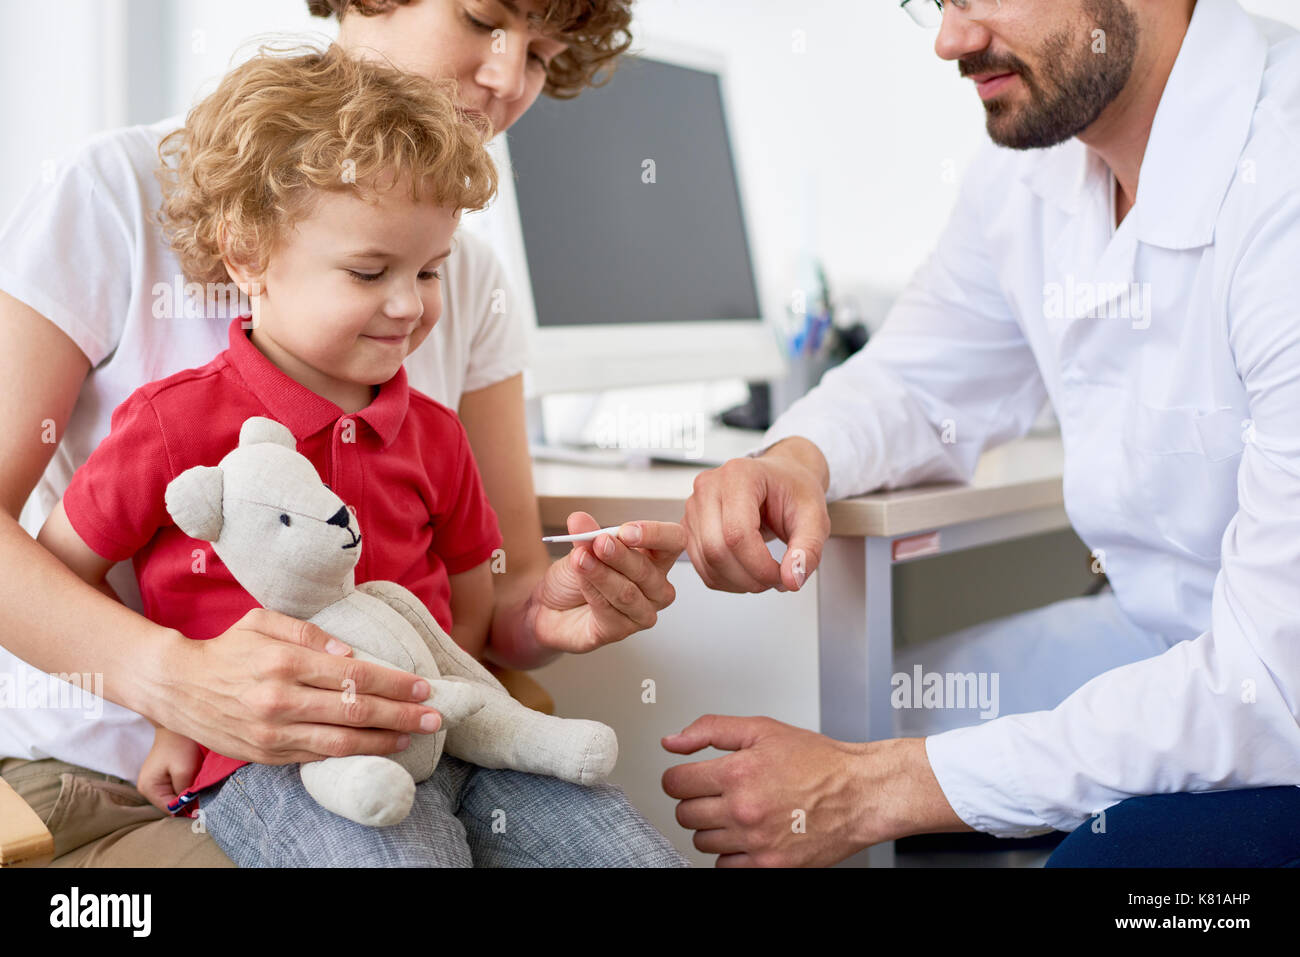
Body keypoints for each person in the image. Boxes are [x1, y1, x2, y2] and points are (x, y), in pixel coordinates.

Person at [0, 0, 685, 867]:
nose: (511, 80)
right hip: (123, 777)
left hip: (419, 742)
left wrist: (552, 610)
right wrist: (182, 688)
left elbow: (490, 600)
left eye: (545, 55)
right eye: (482, 19)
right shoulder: (110, 197)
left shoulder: (463, 276)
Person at [666, 0, 1300, 867]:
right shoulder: (1037, 170)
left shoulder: (1283, 174)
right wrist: (795, 460)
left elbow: (1266, 686)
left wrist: (872, 789)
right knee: (857, 709)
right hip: (1169, 645)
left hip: (1276, 706)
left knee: (1114, 876)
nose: (950, 40)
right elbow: (922, 378)